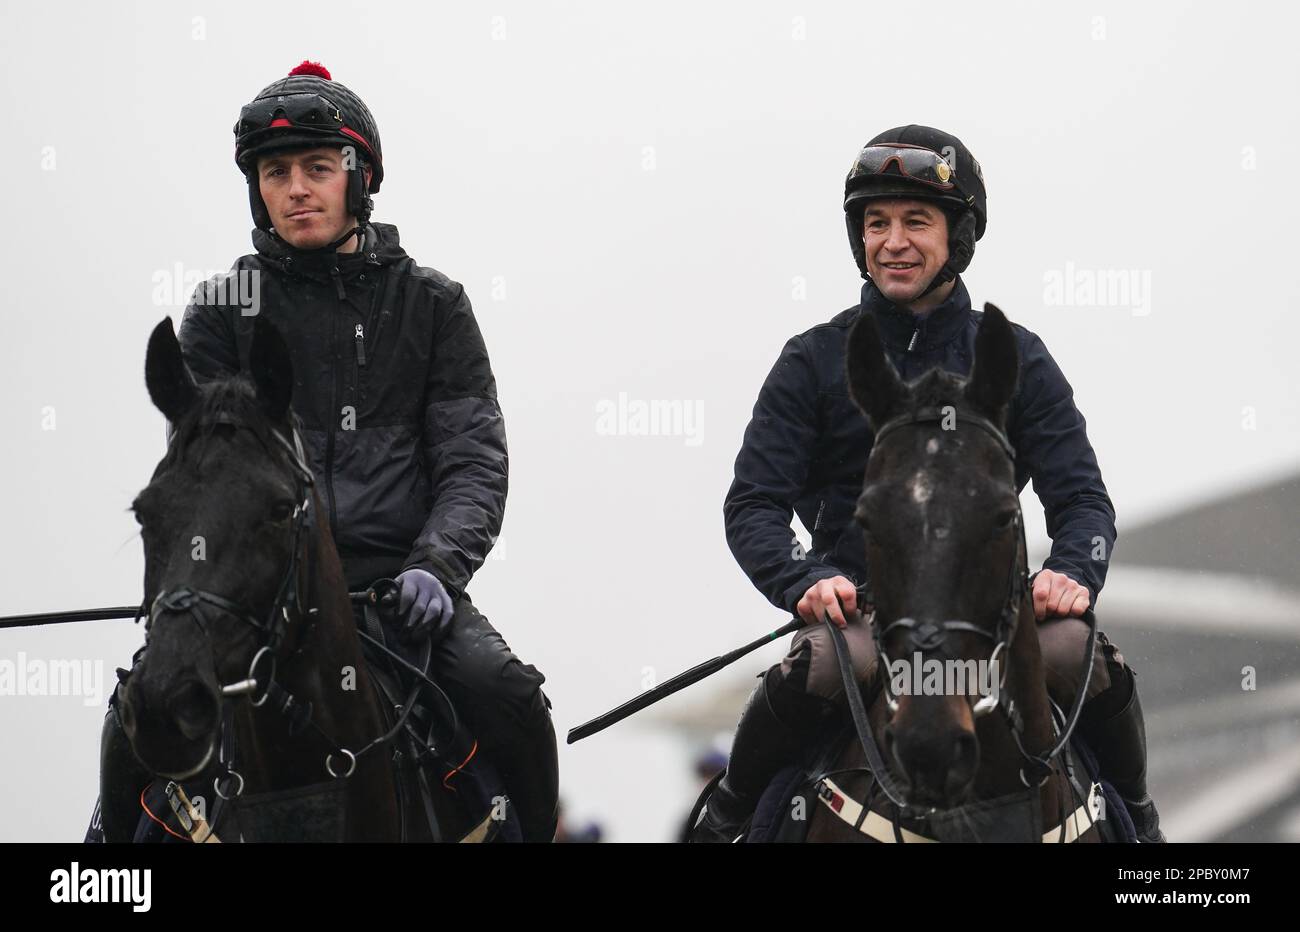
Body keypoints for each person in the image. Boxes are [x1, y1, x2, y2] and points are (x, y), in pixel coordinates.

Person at [90, 61, 558, 843]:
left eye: (318, 168)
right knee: (129, 720)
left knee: (507, 694)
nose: (298, 188)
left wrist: (434, 568)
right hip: (256, 598)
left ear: (359, 180)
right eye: (278, 173)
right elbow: (206, 481)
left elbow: (473, 464)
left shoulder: (434, 304)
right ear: (258, 190)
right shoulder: (219, 312)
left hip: (398, 593)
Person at [690, 125, 1163, 843]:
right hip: (864, 622)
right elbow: (754, 504)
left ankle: (1143, 829)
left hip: (994, 624)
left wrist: (1072, 571)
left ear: (958, 235)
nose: (893, 242)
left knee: (1084, 657)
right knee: (814, 668)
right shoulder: (812, 361)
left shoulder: (1021, 360)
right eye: (876, 223)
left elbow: (1083, 502)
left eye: (916, 222)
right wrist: (803, 581)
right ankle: (723, 822)